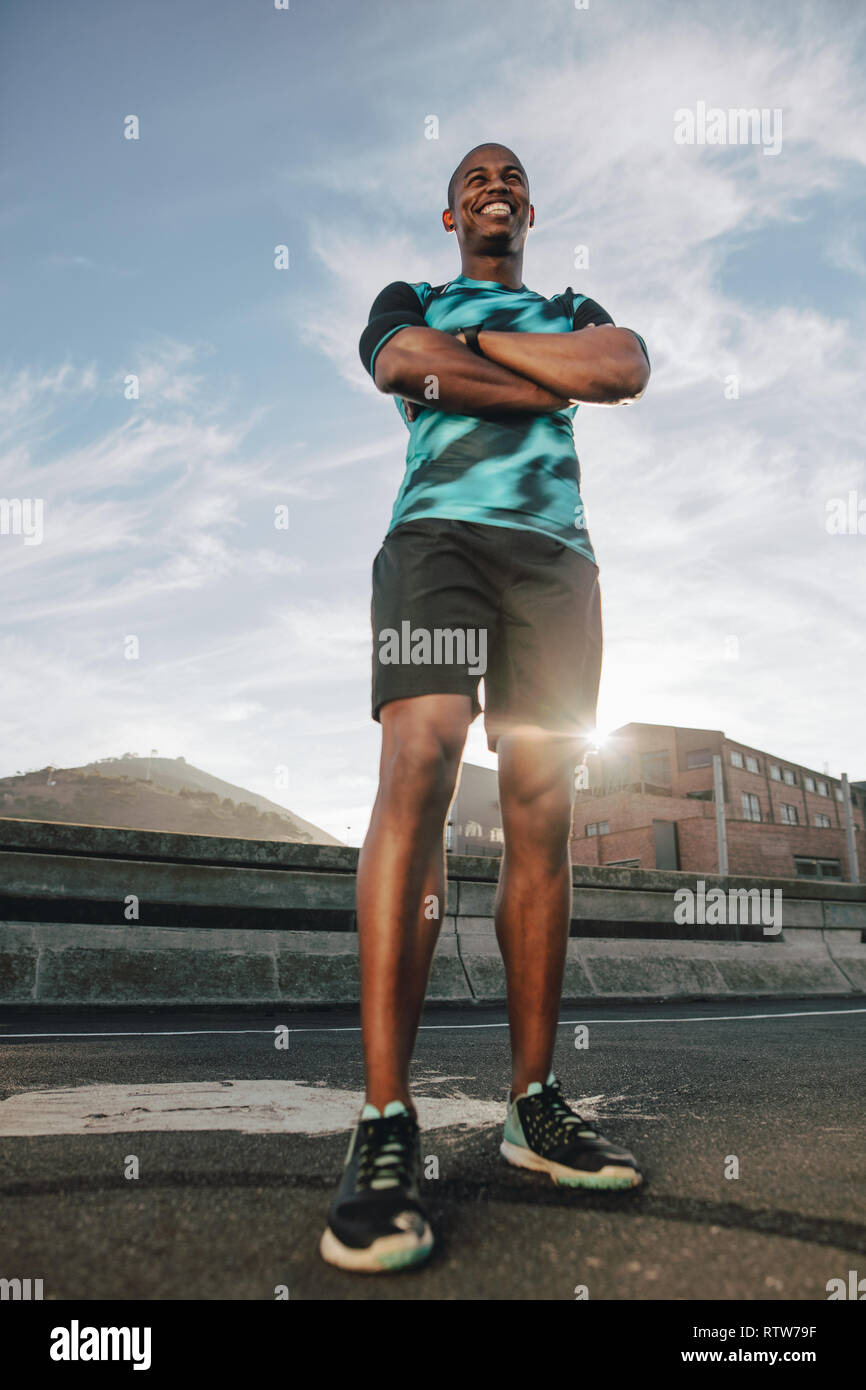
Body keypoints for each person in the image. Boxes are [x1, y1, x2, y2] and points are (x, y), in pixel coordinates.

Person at [319, 142, 651, 1274]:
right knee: (417, 757)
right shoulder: (407, 297)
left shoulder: (569, 306)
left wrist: (489, 351)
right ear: (450, 208)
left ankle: (531, 1103)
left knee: (539, 804)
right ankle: (383, 1121)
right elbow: (403, 365)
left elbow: (618, 367)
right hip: (437, 543)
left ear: (527, 204)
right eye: (474, 175)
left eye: (509, 173)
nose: (494, 183)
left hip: (553, 563)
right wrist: (540, 374)